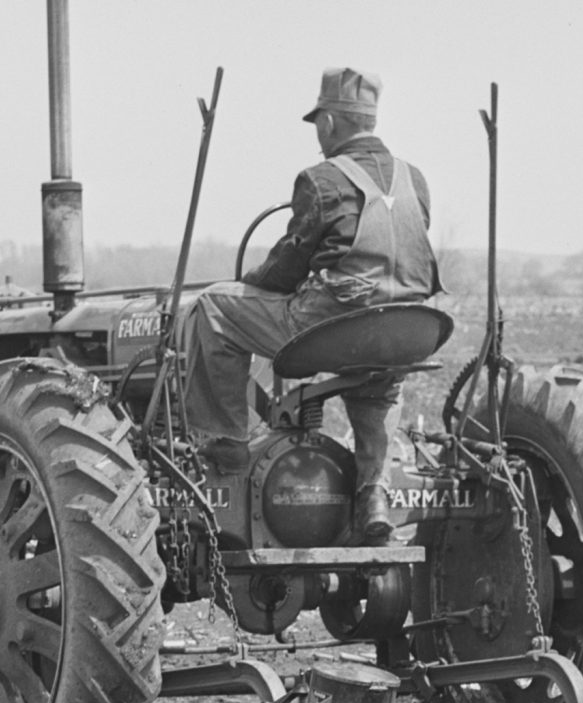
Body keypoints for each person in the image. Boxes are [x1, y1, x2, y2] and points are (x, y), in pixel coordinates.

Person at [179, 66, 439, 543]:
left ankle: (227, 444)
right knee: (379, 383)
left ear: (328, 123)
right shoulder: (414, 179)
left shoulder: (320, 179)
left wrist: (249, 285)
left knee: (214, 307)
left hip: (332, 322)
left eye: (318, 123)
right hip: (407, 325)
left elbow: (286, 268)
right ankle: (373, 494)